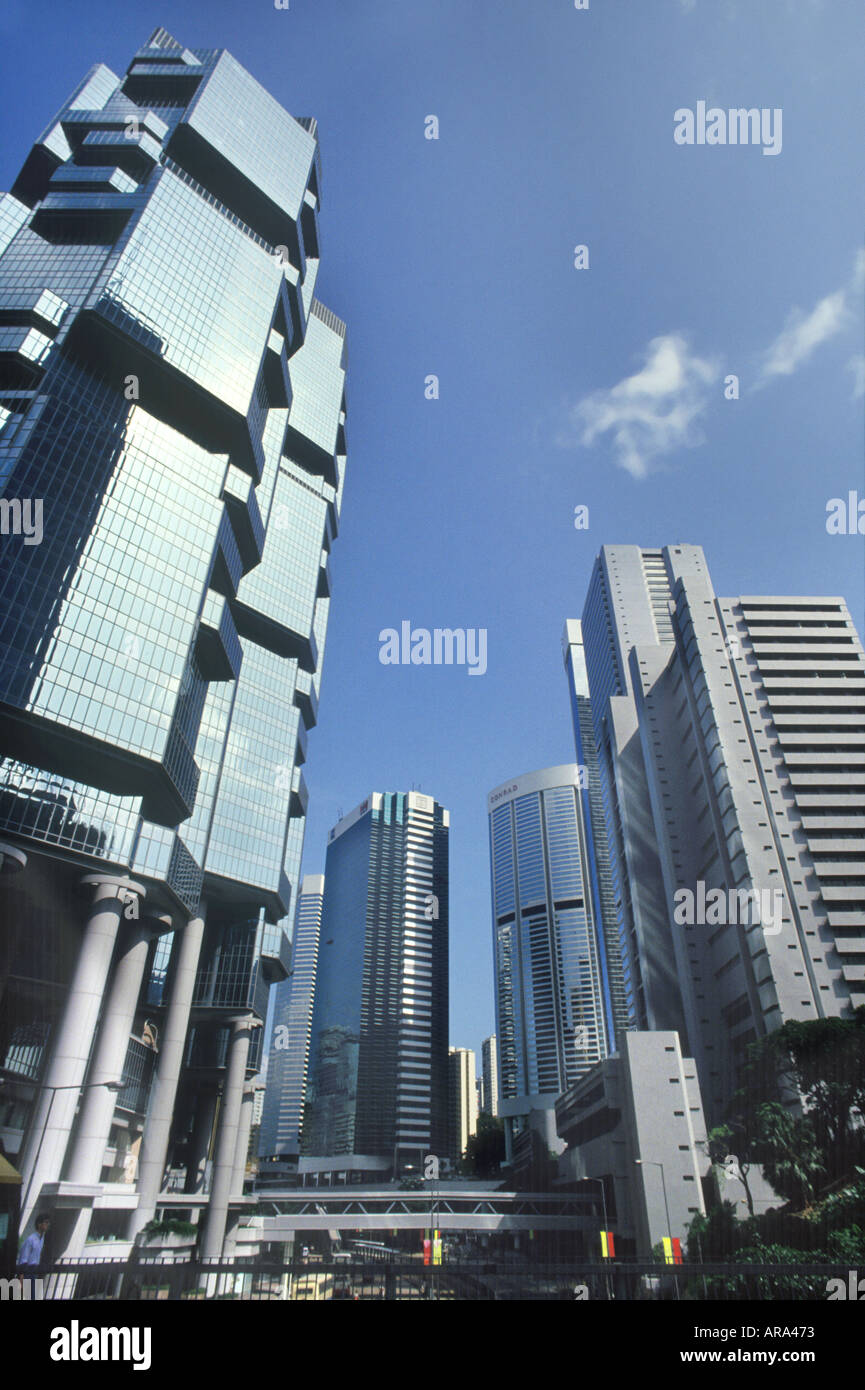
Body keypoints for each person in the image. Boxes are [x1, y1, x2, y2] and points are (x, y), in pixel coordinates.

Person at [17, 1212, 50, 1285]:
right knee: (24, 1295)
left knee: (31, 1295)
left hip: (35, 1271)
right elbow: (23, 1259)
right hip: (27, 1272)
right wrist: (21, 1279)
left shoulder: (42, 1238)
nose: (48, 1225)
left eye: (48, 1222)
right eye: (46, 1222)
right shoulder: (31, 1239)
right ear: (39, 1224)